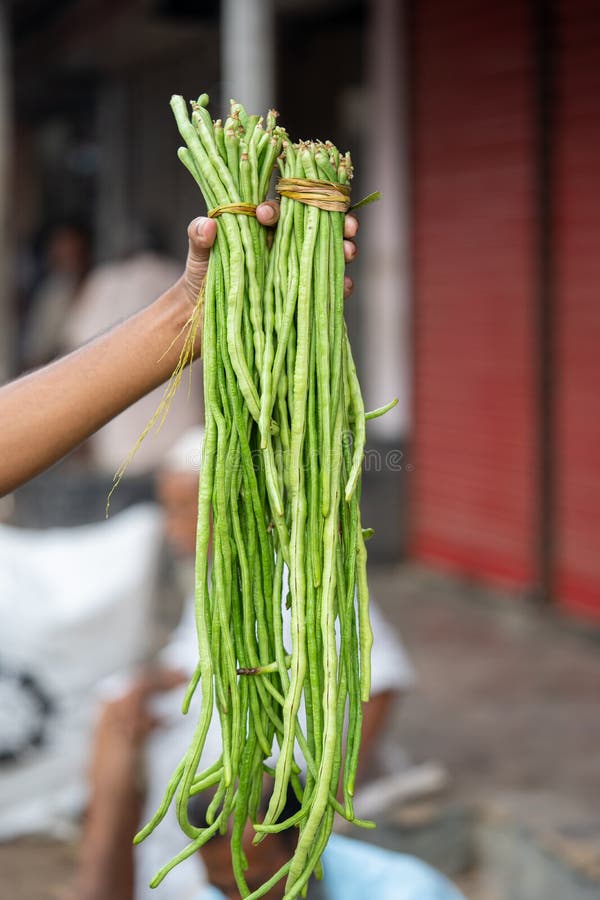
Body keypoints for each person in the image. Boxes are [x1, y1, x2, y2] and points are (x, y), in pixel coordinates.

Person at [0, 206, 359, 498]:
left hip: (133, 454)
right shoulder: (136, 279)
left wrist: (190, 313)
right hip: (179, 451)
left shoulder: (102, 284)